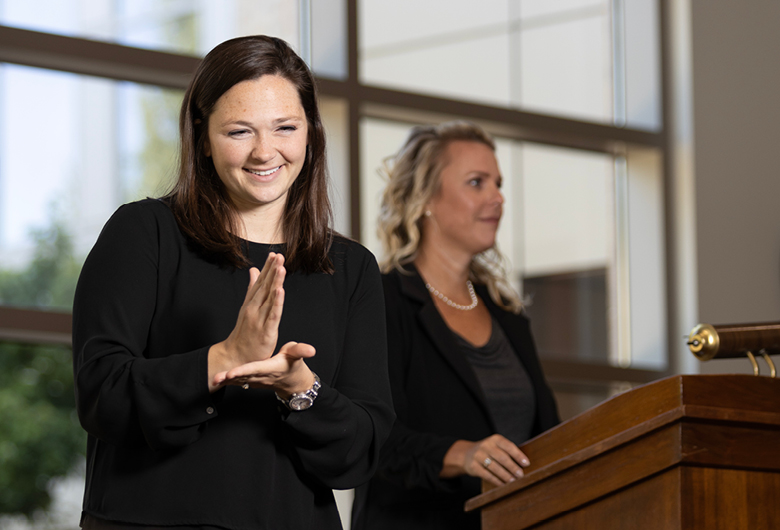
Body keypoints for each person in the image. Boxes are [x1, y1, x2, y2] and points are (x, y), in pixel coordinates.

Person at [72, 35, 394, 530]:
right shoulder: (144, 233)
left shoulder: (350, 267)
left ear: (310, 133)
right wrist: (225, 358)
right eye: (239, 131)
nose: (265, 152)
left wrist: (299, 388)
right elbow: (101, 396)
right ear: (202, 137)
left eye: (285, 127)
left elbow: (360, 455)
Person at [351, 122, 560, 530]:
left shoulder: (508, 317)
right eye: (477, 183)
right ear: (426, 196)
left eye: (497, 184)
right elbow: (374, 438)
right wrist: (463, 454)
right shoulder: (381, 299)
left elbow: (548, 438)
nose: (497, 198)